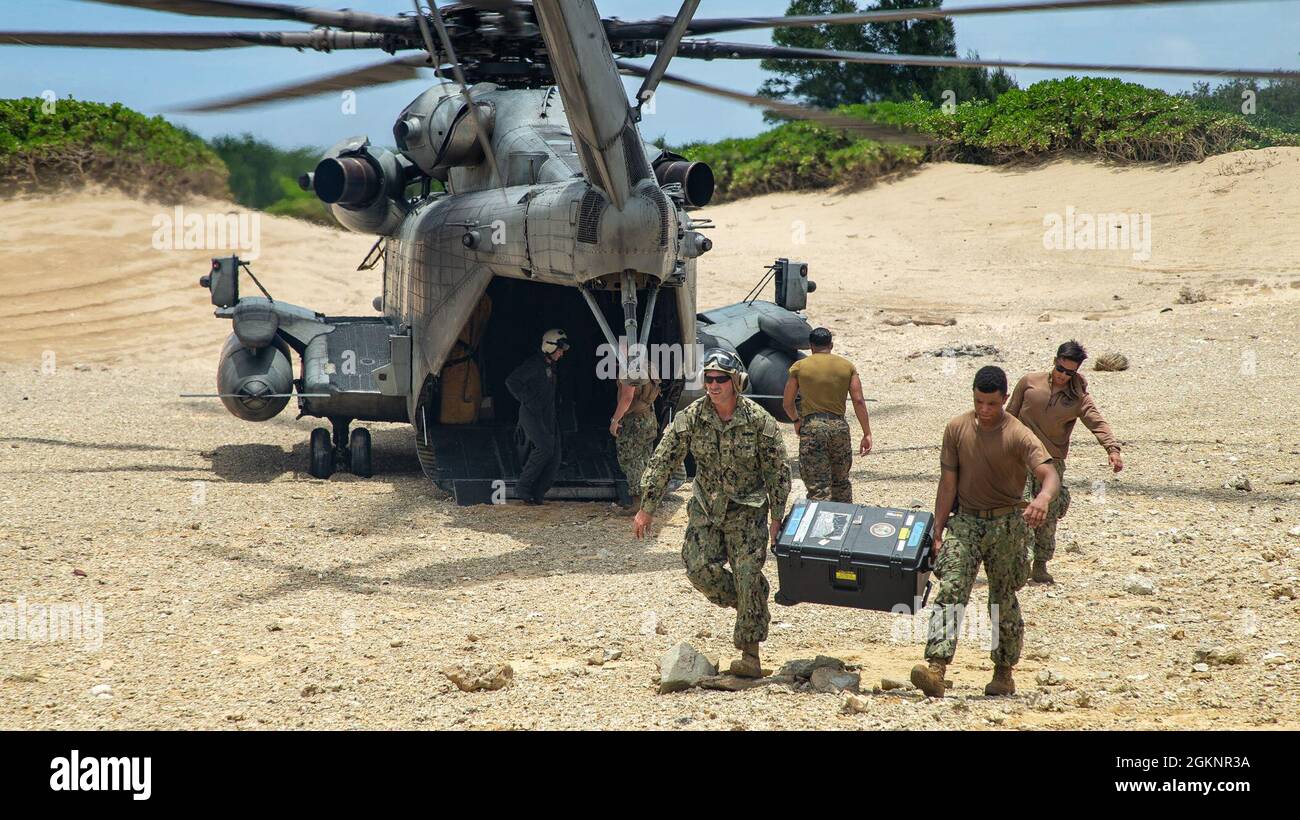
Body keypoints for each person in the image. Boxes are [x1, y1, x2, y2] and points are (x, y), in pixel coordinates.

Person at [634, 349, 791, 678]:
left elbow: (778, 471)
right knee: (697, 568)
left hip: (747, 511)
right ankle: (750, 602)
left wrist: (777, 516)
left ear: (736, 383)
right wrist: (647, 507)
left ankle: (750, 654)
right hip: (707, 509)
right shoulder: (692, 416)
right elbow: (665, 459)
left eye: (720, 379)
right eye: (708, 379)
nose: (713, 385)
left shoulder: (760, 421)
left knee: (748, 573)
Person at [908, 365, 1059, 699]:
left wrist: (1042, 499)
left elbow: (1049, 475)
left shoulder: (1019, 435)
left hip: (1006, 525)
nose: (985, 410)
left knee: (1002, 598)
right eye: (979, 402)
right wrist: (937, 529)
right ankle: (936, 668)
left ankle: (1003, 672)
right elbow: (947, 483)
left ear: (1005, 399)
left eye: (992, 404)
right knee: (951, 589)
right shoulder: (956, 429)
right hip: (965, 521)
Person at [1007, 340, 1123, 584]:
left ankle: (1040, 564)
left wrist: (1112, 448)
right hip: (1019, 457)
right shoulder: (1029, 382)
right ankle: (1020, 562)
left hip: (1051, 462)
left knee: (1047, 514)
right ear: (1054, 361)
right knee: (1021, 508)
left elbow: (1096, 421)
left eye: (1070, 372)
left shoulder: (1078, 397)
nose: (1063, 376)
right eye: (1060, 369)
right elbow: (1008, 415)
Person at [782, 327, 872, 502]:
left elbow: (787, 402)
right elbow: (858, 400)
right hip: (839, 427)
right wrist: (866, 432)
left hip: (812, 427)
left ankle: (819, 526)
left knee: (817, 487)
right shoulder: (847, 366)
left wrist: (796, 420)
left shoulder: (800, 367)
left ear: (811, 346)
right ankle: (844, 522)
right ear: (831, 344)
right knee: (841, 483)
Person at [505, 328, 569, 505]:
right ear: (549, 347)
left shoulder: (550, 366)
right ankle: (523, 487)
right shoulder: (534, 364)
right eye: (559, 349)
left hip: (548, 414)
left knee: (555, 455)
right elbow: (512, 381)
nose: (561, 354)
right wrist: (528, 399)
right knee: (545, 448)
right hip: (531, 414)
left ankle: (538, 492)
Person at [610, 364, 661, 509]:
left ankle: (637, 503)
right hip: (649, 417)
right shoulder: (648, 365)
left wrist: (615, 420)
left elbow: (627, 398)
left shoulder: (629, 368)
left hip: (635, 421)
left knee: (630, 459)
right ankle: (647, 501)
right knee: (645, 460)